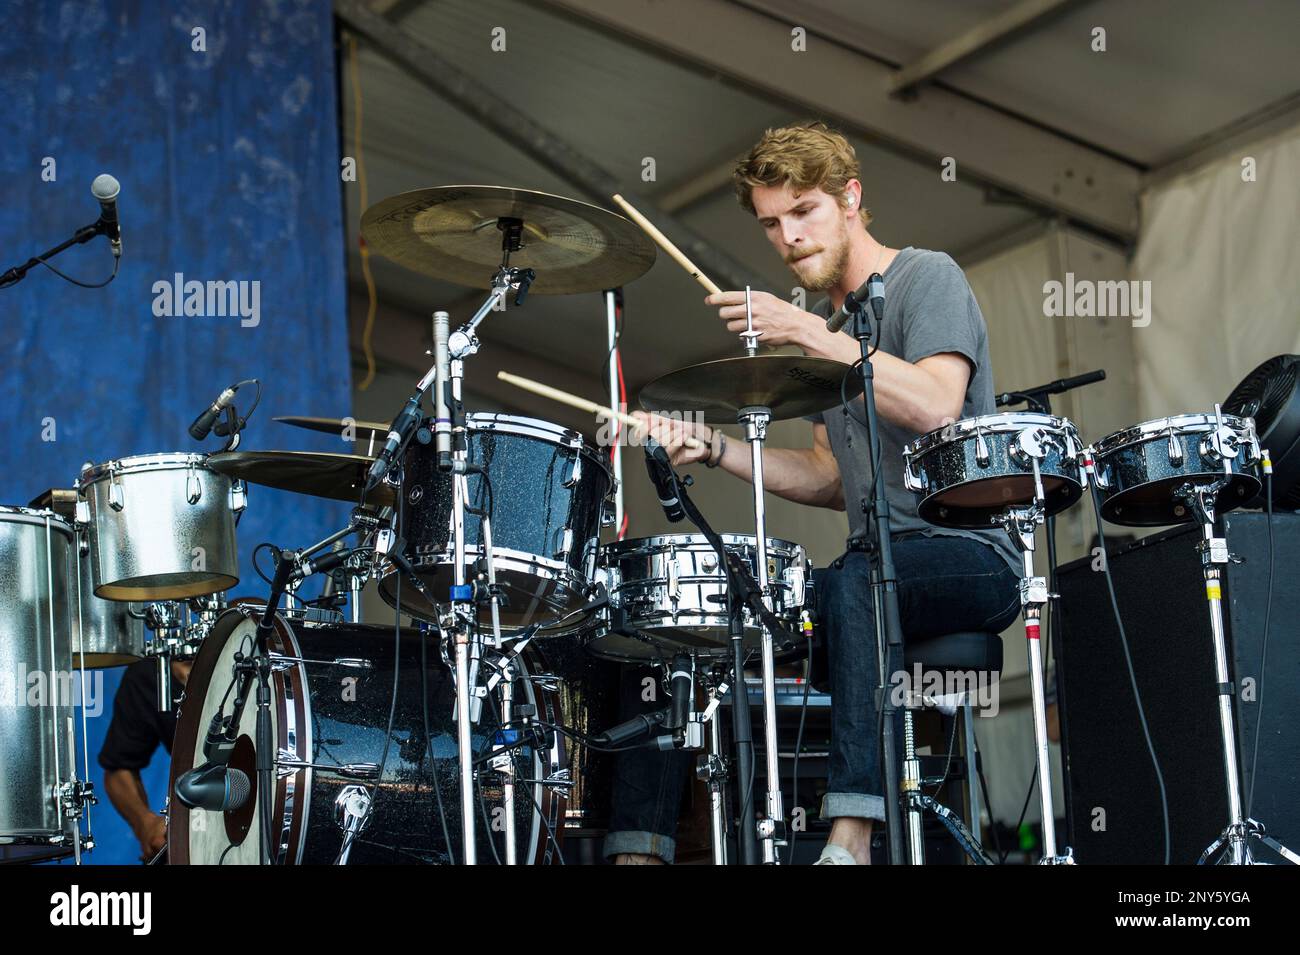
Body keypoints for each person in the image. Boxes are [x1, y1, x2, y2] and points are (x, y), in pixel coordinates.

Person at [608, 121, 1022, 865]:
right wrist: (719, 446)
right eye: (771, 223)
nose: (788, 236)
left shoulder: (925, 278)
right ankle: (643, 847)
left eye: (804, 212)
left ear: (850, 198)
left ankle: (852, 839)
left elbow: (936, 404)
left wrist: (809, 333)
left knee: (858, 577)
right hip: (871, 565)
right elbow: (831, 478)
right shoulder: (832, 332)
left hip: (969, 553)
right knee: (693, 619)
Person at [99, 658, 191, 862]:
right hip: (195, 829)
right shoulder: (153, 672)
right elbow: (119, 768)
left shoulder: (266, 656)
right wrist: (146, 823)